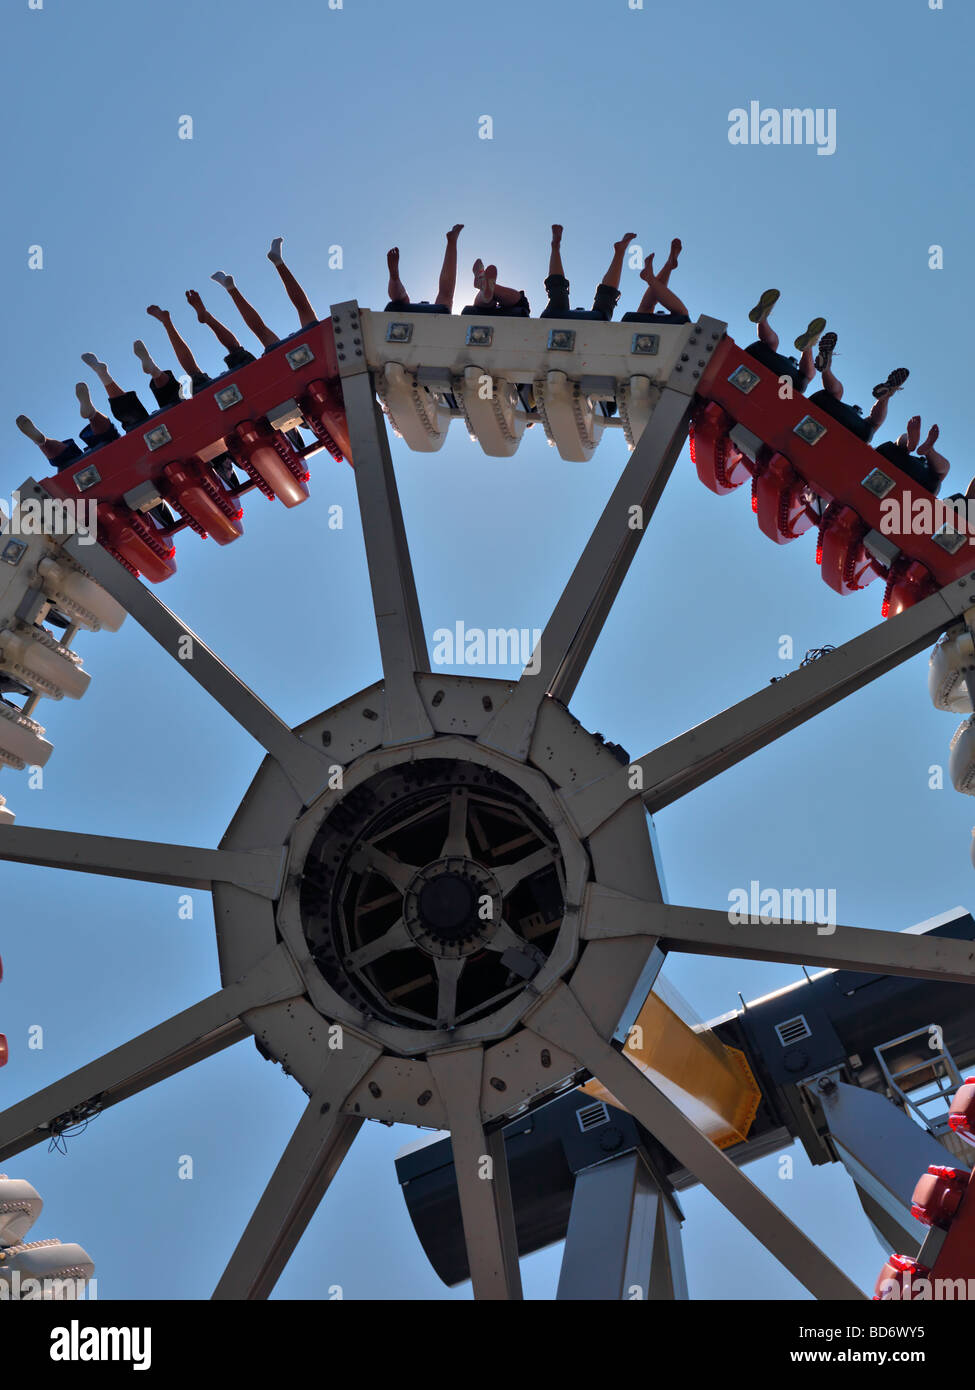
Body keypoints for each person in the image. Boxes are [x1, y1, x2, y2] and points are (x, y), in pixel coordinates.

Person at [209, 236, 317, 350]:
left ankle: (231, 287)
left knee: (263, 331)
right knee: (303, 310)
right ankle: (277, 261)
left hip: (281, 350)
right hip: (314, 341)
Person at [807, 330, 909, 442]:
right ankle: (885, 397)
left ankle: (826, 370)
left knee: (836, 392)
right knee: (873, 423)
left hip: (823, 407)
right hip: (855, 432)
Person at [540, 225, 636, 321]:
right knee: (557, 292)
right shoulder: (597, 318)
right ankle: (620, 252)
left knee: (558, 293)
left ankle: (555, 246)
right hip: (592, 319)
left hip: (554, 316)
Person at [745, 288, 823, 393]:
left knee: (772, 343)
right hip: (790, 380)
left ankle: (762, 320)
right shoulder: (793, 371)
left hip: (755, 354)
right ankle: (807, 347)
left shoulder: (773, 356)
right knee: (808, 375)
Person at [386, 225, 465, 313]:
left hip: (405, 316)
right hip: (434, 321)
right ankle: (395, 279)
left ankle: (395, 279)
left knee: (400, 301)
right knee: (445, 297)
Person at [628, 239, 690, 323]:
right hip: (671, 327)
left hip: (640, 325)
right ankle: (665, 268)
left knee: (644, 310)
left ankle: (657, 273)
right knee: (682, 314)